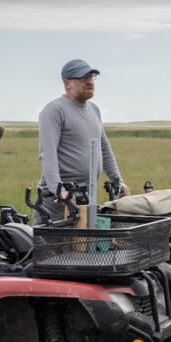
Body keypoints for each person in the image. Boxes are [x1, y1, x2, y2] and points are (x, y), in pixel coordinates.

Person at [35, 59, 129, 225]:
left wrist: (118, 180)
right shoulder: (54, 111)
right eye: (83, 78)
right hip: (57, 200)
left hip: (85, 196)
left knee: (83, 248)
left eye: (91, 78)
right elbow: (48, 154)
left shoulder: (94, 109)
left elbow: (104, 148)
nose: (89, 82)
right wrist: (59, 191)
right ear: (67, 84)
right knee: (51, 248)